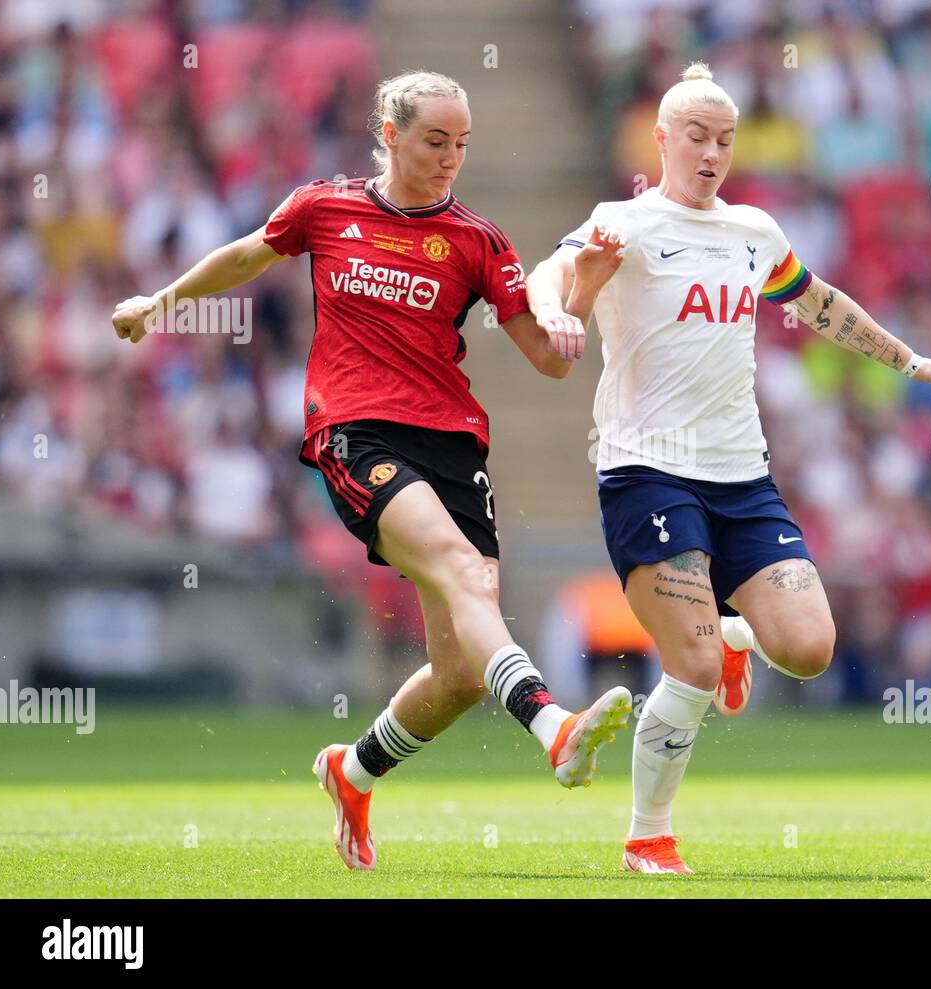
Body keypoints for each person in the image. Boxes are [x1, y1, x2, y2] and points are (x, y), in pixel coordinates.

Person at [110, 70, 632, 872]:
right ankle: (552, 726)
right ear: (389, 134)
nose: (451, 157)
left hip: (452, 443)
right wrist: (163, 300)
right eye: (435, 140)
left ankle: (351, 771)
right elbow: (248, 253)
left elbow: (546, 359)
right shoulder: (326, 206)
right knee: (464, 571)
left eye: (462, 143)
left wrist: (583, 294)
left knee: (458, 672)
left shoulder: (479, 239)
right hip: (356, 430)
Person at [525, 63, 931, 874]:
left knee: (808, 648)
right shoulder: (623, 221)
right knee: (691, 666)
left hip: (742, 477)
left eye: (725, 140)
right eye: (696, 136)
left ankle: (739, 634)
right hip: (646, 471)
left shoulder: (753, 233)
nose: (711, 153)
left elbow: (820, 301)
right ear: (661, 138)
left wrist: (910, 360)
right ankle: (648, 835)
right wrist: (557, 309)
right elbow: (548, 273)